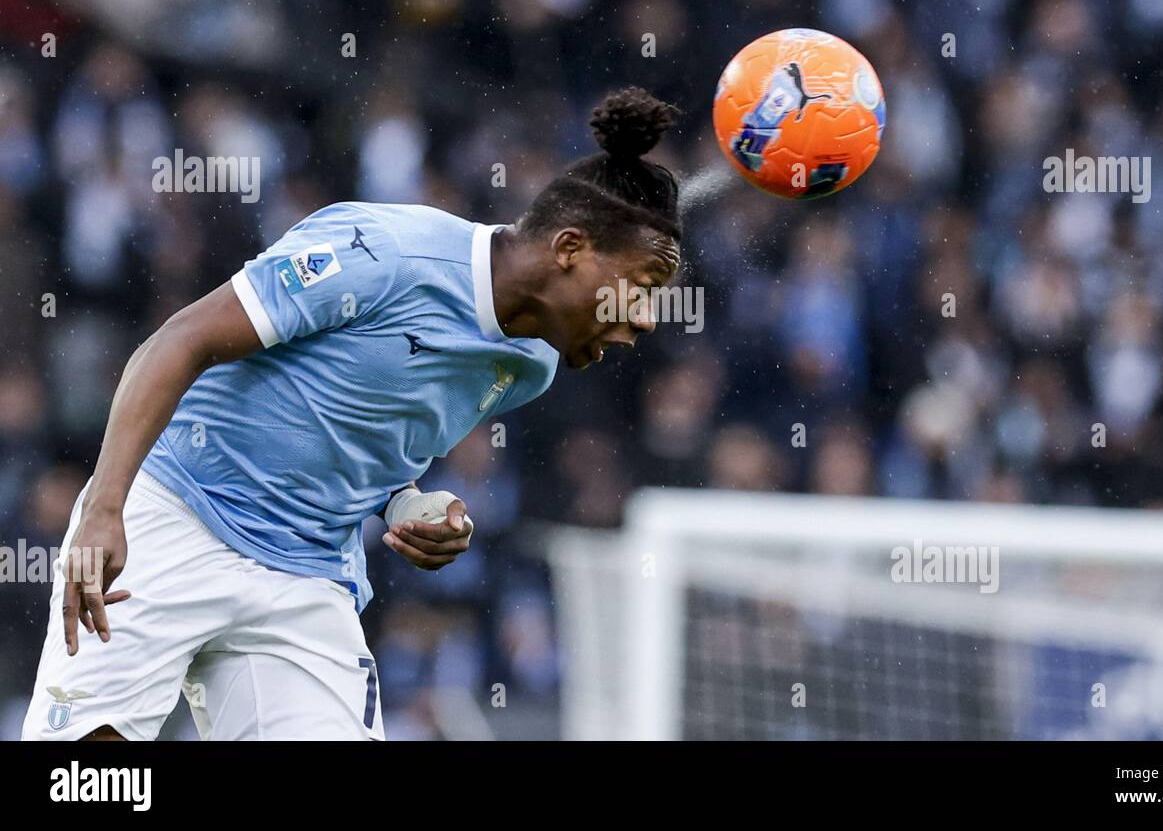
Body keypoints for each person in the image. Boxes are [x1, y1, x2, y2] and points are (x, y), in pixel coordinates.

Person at [23, 87, 684, 741]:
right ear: (570, 249)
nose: (648, 320)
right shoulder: (382, 252)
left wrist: (406, 508)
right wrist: (105, 507)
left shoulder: (531, 365)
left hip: (305, 573)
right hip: (176, 513)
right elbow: (179, 341)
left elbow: (376, 443)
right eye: (643, 288)